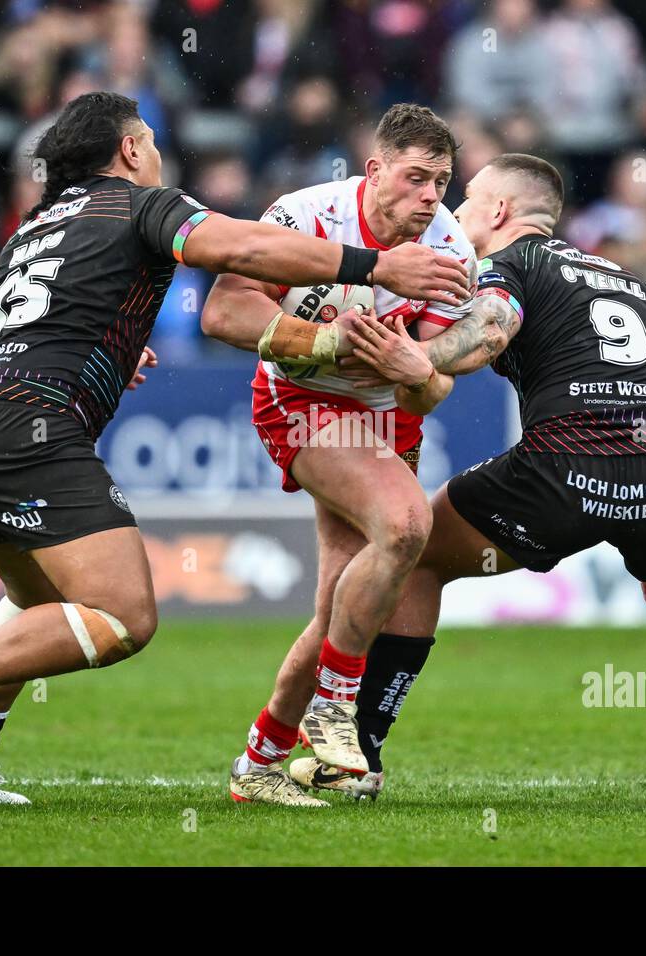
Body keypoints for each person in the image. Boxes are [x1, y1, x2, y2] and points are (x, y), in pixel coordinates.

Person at [0, 91, 469, 806]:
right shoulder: (143, 204)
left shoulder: (37, 224)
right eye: (148, 138)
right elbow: (241, 250)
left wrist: (118, 351)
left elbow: (42, 317)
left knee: (35, 604)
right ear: (129, 151)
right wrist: (374, 268)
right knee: (122, 617)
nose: (157, 150)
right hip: (30, 430)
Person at [291, 153, 646, 808]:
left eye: (466, 204)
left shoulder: (510, 265)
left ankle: (364, 755)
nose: (453, 216)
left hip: (562, 470)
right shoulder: (628, 280)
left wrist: (417, 358)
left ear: (500, 213)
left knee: (415, 555)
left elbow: (490, 330)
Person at [200, 103, 476, 806]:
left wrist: (415, 370)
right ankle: (334, 708)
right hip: (303, 400)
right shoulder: (303, 216)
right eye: (415, 178)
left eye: (441, 182)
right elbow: (224, 312)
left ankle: (259, 763)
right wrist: (325, 342)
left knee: (336, 612)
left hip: (388, 419)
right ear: (374, 169)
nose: (429, 197)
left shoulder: (453, 252)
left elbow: (431, 394)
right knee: (408, 526)